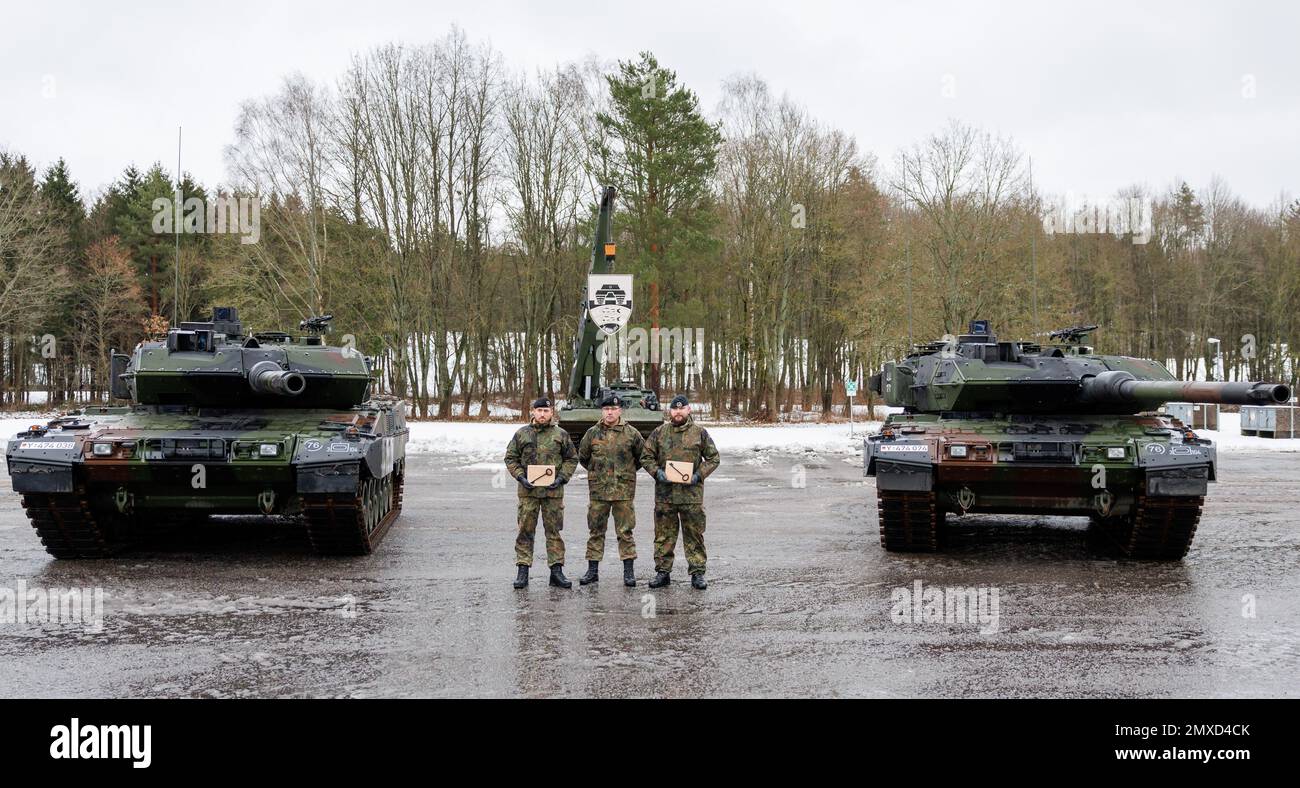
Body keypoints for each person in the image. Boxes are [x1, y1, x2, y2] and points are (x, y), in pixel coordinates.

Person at [640, 394, 720, 590]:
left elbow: (713, 458)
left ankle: (698, 573)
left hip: (691, 496)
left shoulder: (699, 433)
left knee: (694, 535)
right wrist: (656, 472)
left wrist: (698, 475)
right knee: (663, 535)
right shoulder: (659, 432)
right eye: (674, 409)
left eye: (681, 408)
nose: (677, 412)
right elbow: (646, 456)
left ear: (688, 410)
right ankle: (663, 572)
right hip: (665, 496)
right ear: (670, 411)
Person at [504, 398, 578, 588]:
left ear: (552, 412)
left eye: (546, 410)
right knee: (525, 531)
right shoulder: (522, 434)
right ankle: (523, 570)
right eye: (539, 410)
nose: (543, 414)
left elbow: (571, 459)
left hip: (553, 493)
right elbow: (511, 458)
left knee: (554, 532)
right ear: (533, 412)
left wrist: (562, 478)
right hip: (528, 493)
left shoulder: (561, 434)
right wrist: (520, 477)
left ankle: (556, 571)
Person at [577, 392, 645, 587]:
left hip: (623, 491)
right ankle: (592, 571)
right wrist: (598, 474)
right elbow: (583, 457)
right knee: (596, 531)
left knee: (625, 532)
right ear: (602, 410)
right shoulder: (592, 433)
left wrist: (625, 473)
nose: (610, 412)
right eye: (606, 409)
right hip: (598, 492)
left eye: (613, 409)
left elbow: (642, 458)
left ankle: (628, 572)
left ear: (620, 410)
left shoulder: (631, 433)